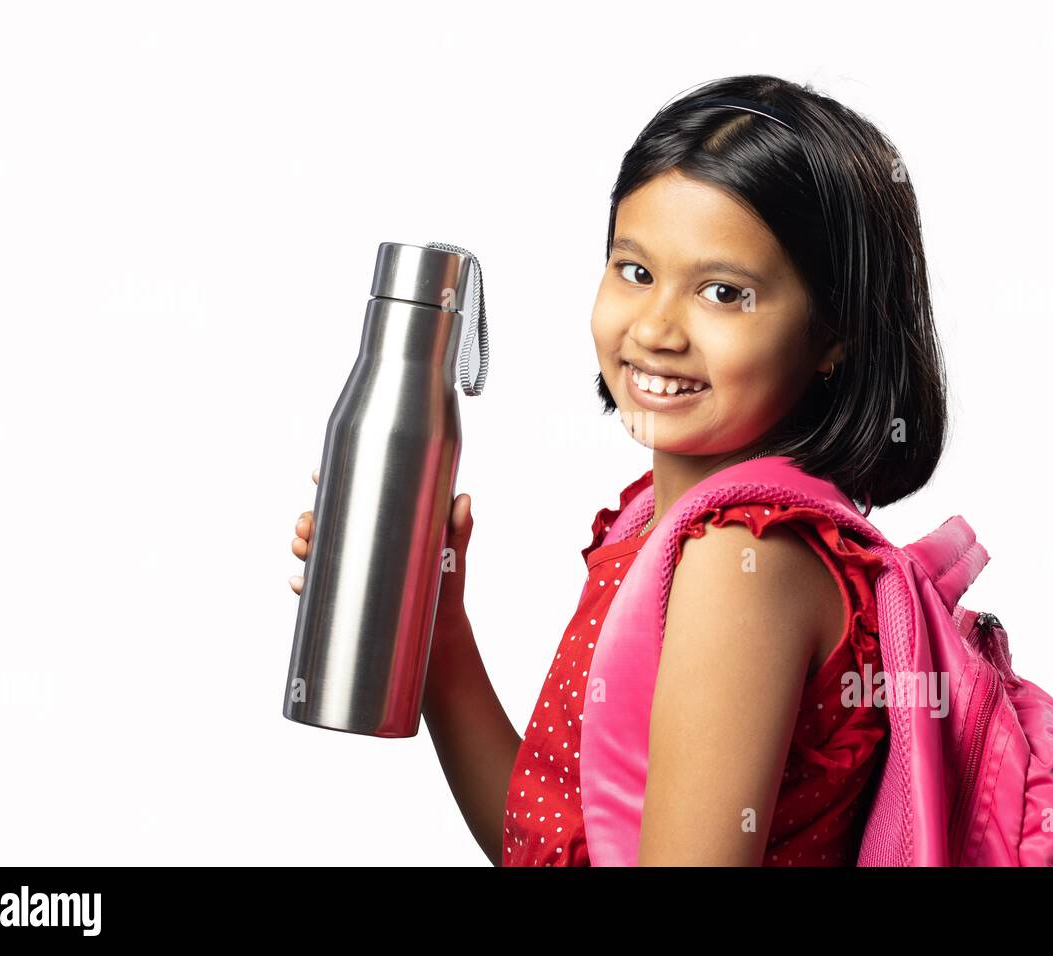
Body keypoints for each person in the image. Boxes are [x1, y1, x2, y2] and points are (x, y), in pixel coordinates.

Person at [288, 73, 947, 866]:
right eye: (634, 271)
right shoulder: (656, 525)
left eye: (724, 292)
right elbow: (556, 839)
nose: (658, 328)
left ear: (835, 334)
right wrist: (436, 636)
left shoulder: (742, 560)